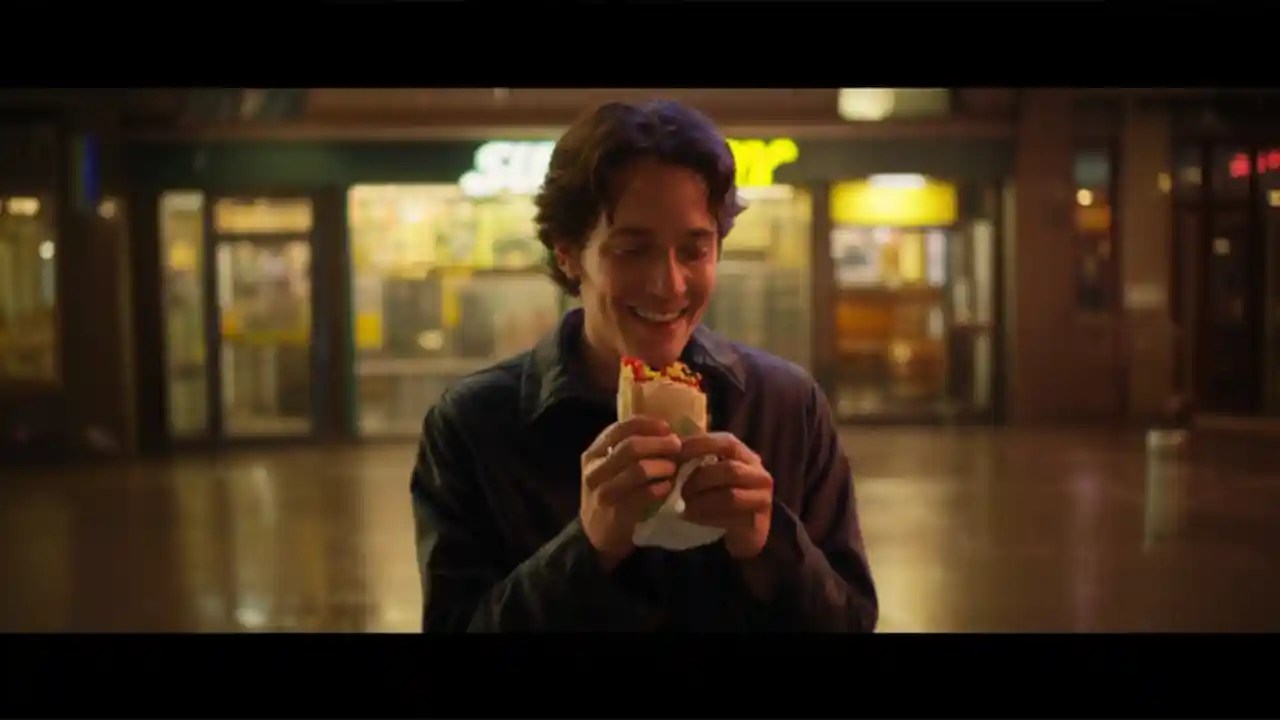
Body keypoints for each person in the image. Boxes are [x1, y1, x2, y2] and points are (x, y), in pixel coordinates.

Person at [410, 99, 878, 632]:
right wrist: (587, 549)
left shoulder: (787, 406)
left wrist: (768, 545)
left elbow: (852, 622)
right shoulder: (472, 427)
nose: (669, 284)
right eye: (633, 251)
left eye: (694, 250)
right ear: (568, 254)